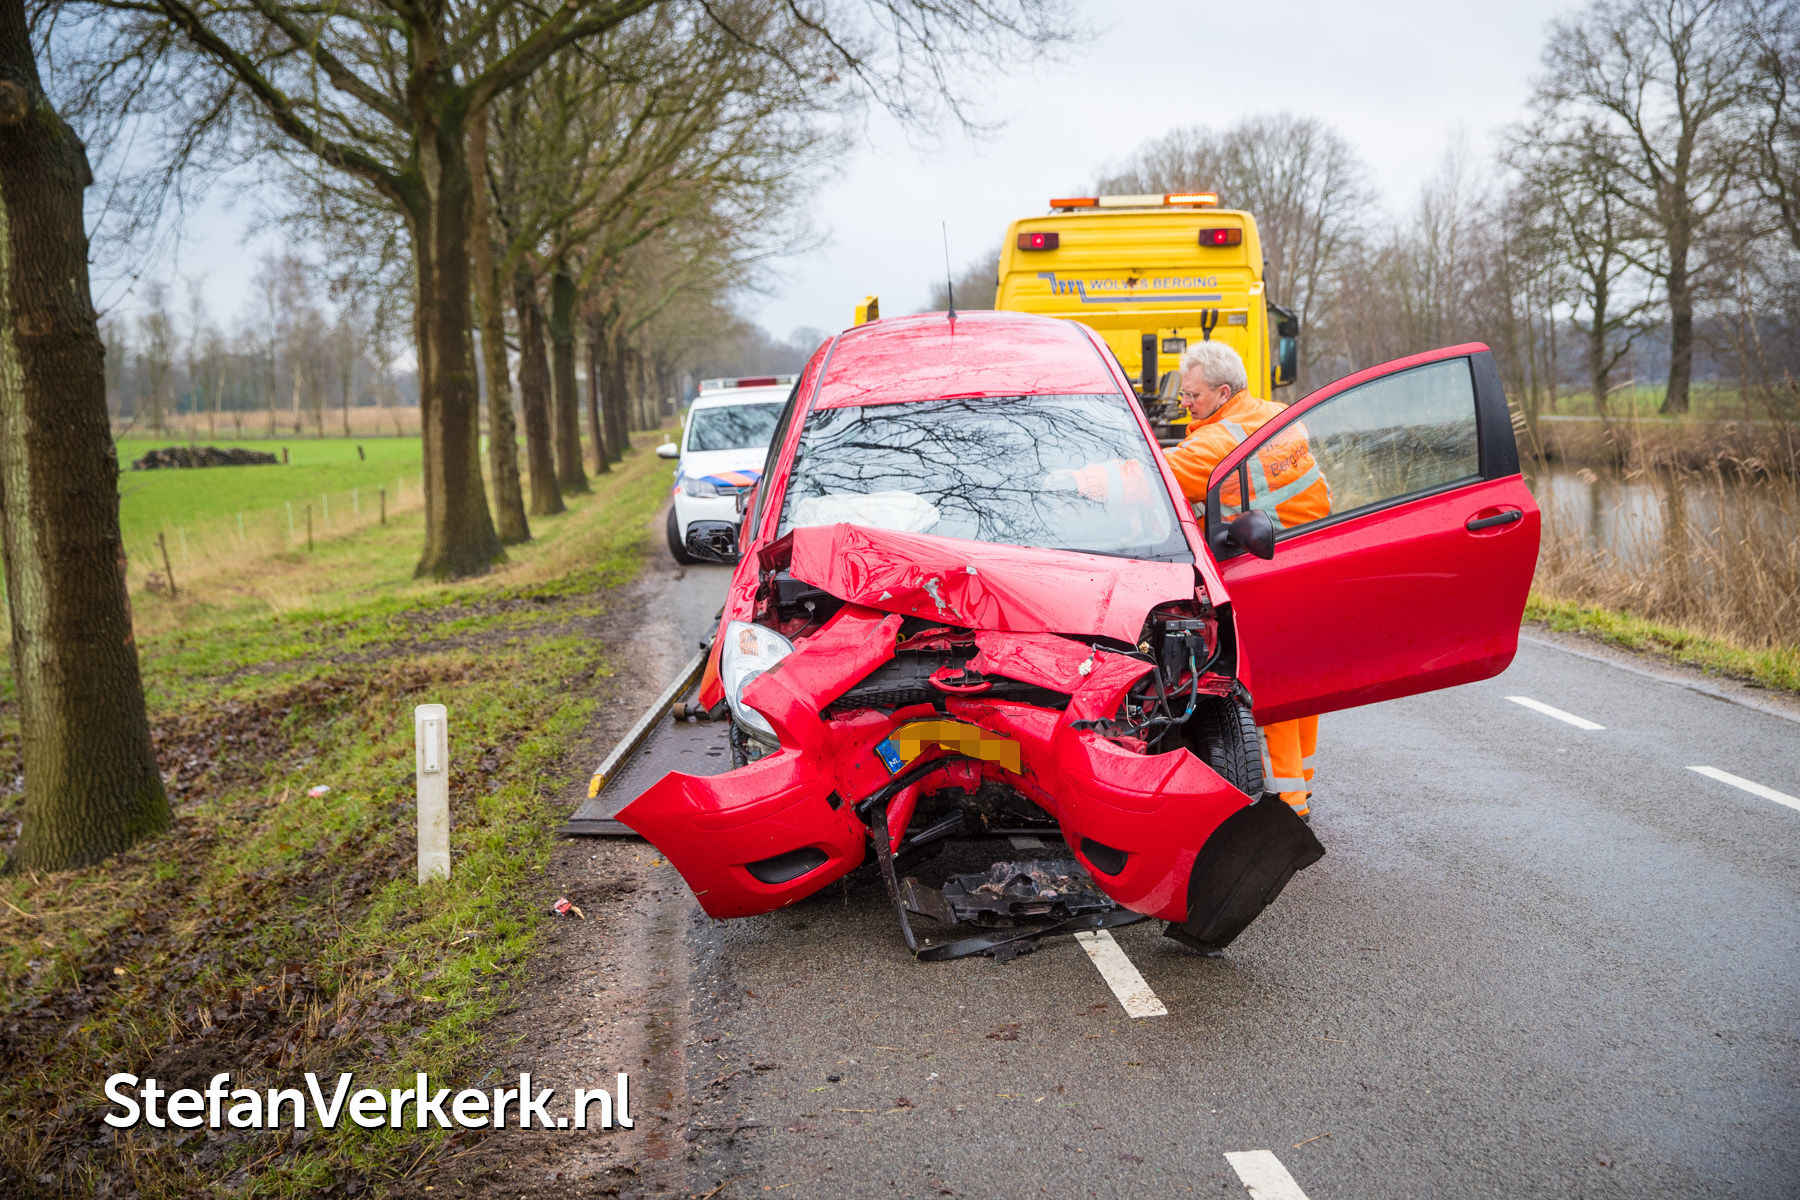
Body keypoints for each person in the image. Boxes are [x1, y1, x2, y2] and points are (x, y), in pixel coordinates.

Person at [1162, 341, 1329, 822]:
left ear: (1221, 391)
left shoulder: (1215, 444)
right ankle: (1302, 791)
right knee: (1301, 683)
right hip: (1312, 555)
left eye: (1192, 395)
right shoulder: (1277, 414)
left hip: (1265, 569)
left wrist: (1079, 479)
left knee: (1270, 686)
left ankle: (1283, 809)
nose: (1185, 404)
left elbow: (1152, 480)